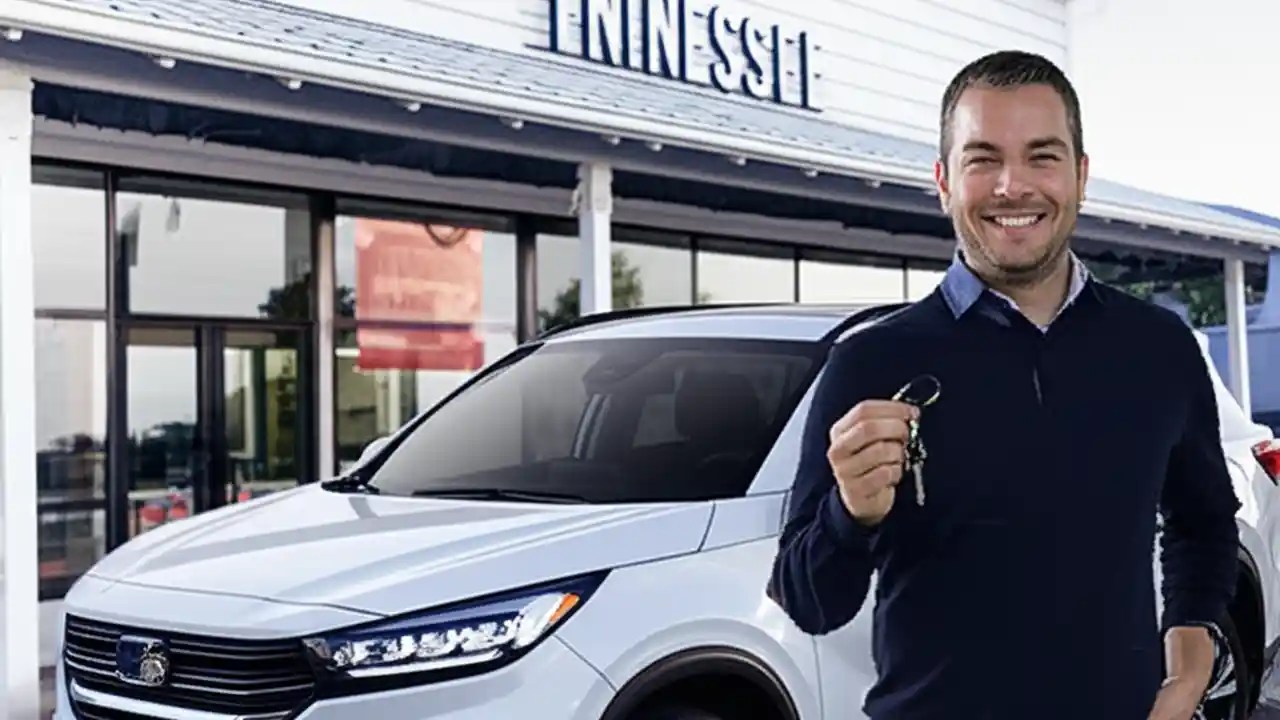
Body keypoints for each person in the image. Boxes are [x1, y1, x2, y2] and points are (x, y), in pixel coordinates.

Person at [766, 50, 1241, 720]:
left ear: (1080, 176)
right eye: (982, 158)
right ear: (943, 181)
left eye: (1042, 156)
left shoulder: (1158, 348)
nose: (1012, 185)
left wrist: (1188, 667)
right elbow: (809, 603)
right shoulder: (870, 363)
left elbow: (1204, 524)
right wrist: (851, 516)